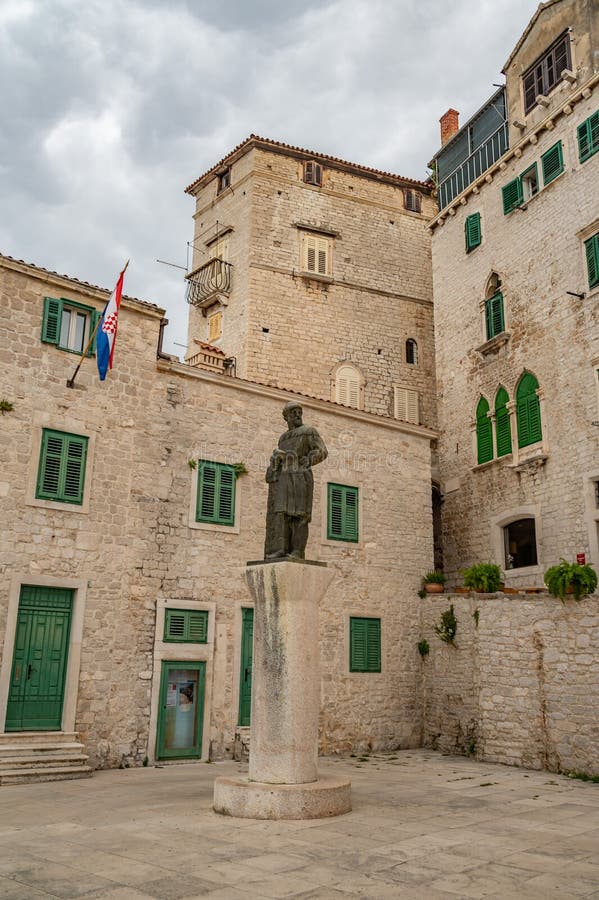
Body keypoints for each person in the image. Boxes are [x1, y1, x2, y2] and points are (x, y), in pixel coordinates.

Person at [264, 402, 328, 560]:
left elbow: (322, 451)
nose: (298, 415)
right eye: (293, 413)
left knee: (299, 515)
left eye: (299, 412)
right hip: (284, 478)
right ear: (286, 417)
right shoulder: (283, 438)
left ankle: (297, 551)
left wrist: (307, 460)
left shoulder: (309, 431)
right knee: (283, 515)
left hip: (301, 478)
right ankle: (282, 549)